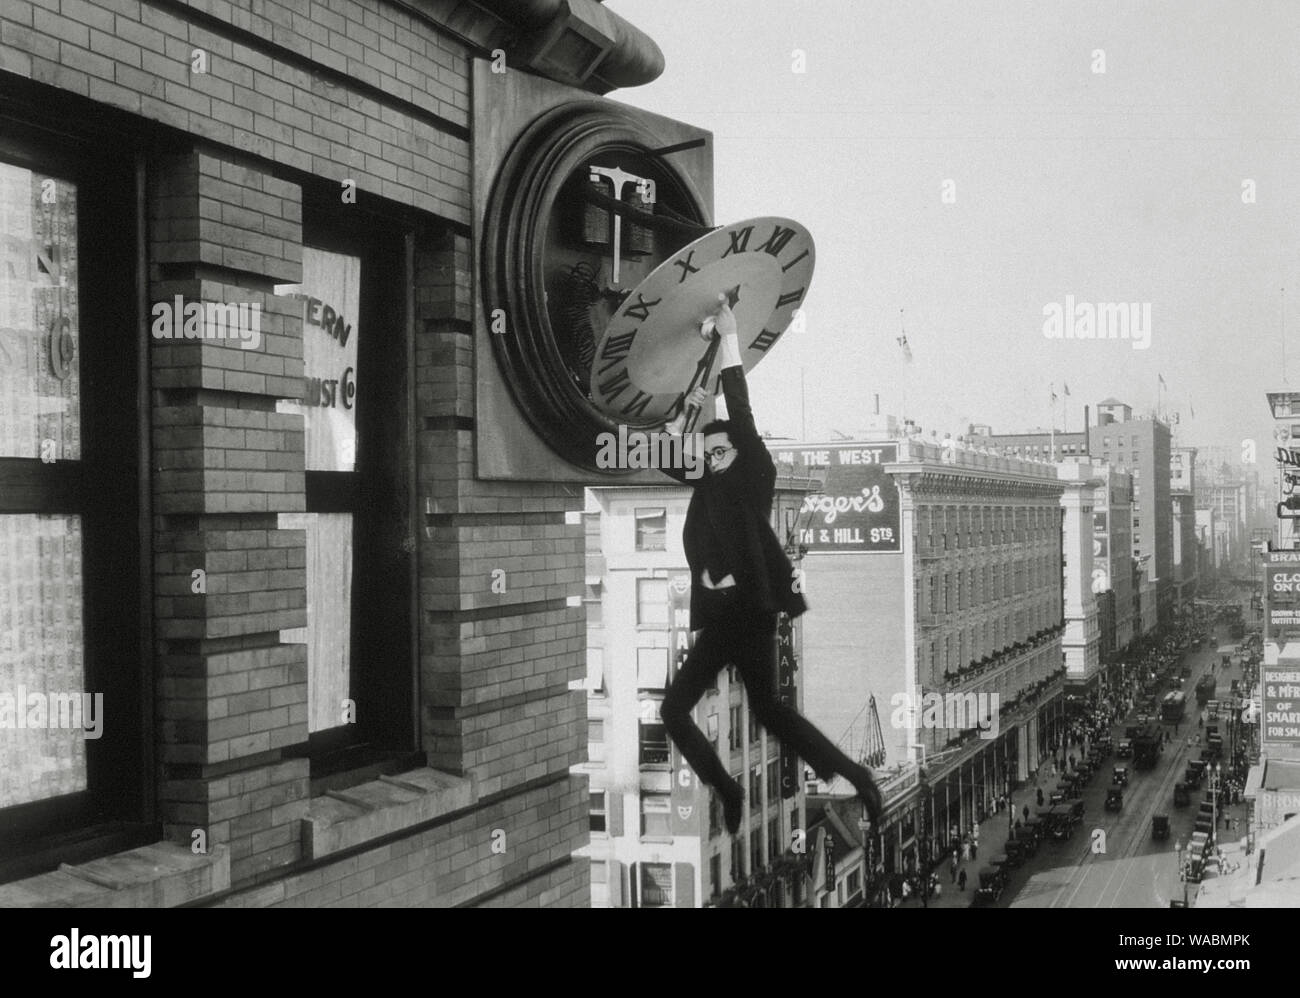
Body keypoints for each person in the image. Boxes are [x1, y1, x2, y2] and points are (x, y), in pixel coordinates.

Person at [658, 298, 882, 836]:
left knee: (771, 713)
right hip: (722, 621)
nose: (713, 460)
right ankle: (728, 787)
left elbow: (740, 409)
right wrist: (680, 416)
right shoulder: (711, 480)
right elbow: (669, 456)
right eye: (708, 456)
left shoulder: (755, 471)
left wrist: (730, 338)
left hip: (749, 613)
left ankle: (857, 777)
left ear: (741, 451)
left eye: (721, 453)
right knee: (680, 711)